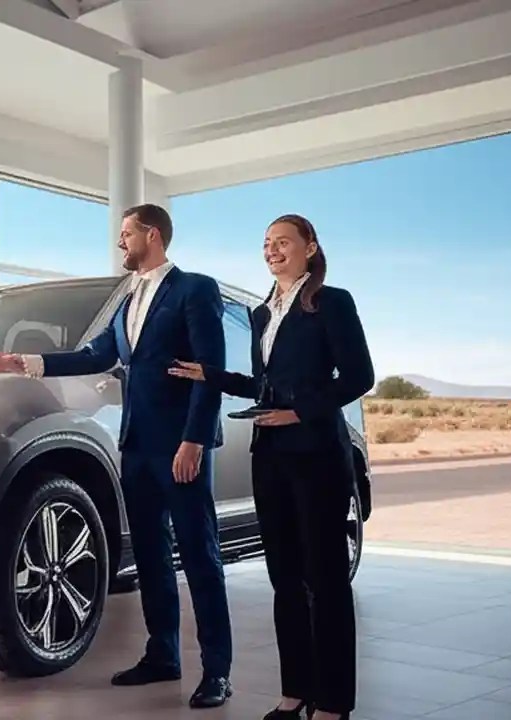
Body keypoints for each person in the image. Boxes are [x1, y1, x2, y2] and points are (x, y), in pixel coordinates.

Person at [0, 203, 234, 709]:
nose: (120, 242)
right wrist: (24, 362)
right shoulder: (129, 300)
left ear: (153, 236)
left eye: (126, 234)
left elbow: (212, 369)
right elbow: (97, 355)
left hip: (179, 446)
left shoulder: (194, 289)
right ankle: (163, 654)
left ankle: (217, 672)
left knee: (200, 558)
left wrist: (194, 441)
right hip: (136, 447)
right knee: (152, 557)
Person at [168, 214, 373, 720]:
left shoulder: (331, 301)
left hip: (318, 456)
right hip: (271, 455)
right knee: (284, 578)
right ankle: (295, 692)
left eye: (282, 242)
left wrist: (300, 411)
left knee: (326, 581)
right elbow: (266, 385)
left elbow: (359, 376)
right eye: (266, 244)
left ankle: (332, 702)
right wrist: (214, 375)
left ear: (310, 247)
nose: (272, 250)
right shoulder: (262, 313)